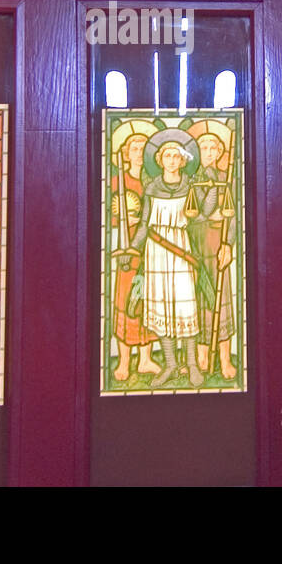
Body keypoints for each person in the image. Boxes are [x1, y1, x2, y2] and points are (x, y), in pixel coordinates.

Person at [131, 137, 202, 387]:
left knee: (185, 305)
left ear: (183, 161)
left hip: (181, 246)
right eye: (167, 156)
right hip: (156, 251)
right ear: (159, 160)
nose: (172, 160)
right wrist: (133, 247)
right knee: (160, 304)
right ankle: (171, 364)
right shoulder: (151, 187)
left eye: (176, 156)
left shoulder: (191, 186)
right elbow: (143, 222)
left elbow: (200, 218)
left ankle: (192, 364)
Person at [110, 132, 160, 381]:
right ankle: (123, 362)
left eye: (143, 148)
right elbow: (110, 214)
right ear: (126, 153)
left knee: (147, 300)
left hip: (150, 248)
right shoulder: (117, 181)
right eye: (134, 148)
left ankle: (146, 359)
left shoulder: (153, 181)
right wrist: (122, 219)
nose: (138, 152)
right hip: (126, 248)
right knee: (126, 300)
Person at [188, 132, 236, 380]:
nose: (208, 151)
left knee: (221, 297)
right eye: (203, 147)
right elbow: (188, 214)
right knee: (196, 300)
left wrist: (228, 244)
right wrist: (208, 216)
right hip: (194, 245)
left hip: (217, 244)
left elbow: (234, 216)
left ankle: (225, 358)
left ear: (219, 152)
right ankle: (201, 356)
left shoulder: (225, 179)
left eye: (212, 147)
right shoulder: (189, 180)